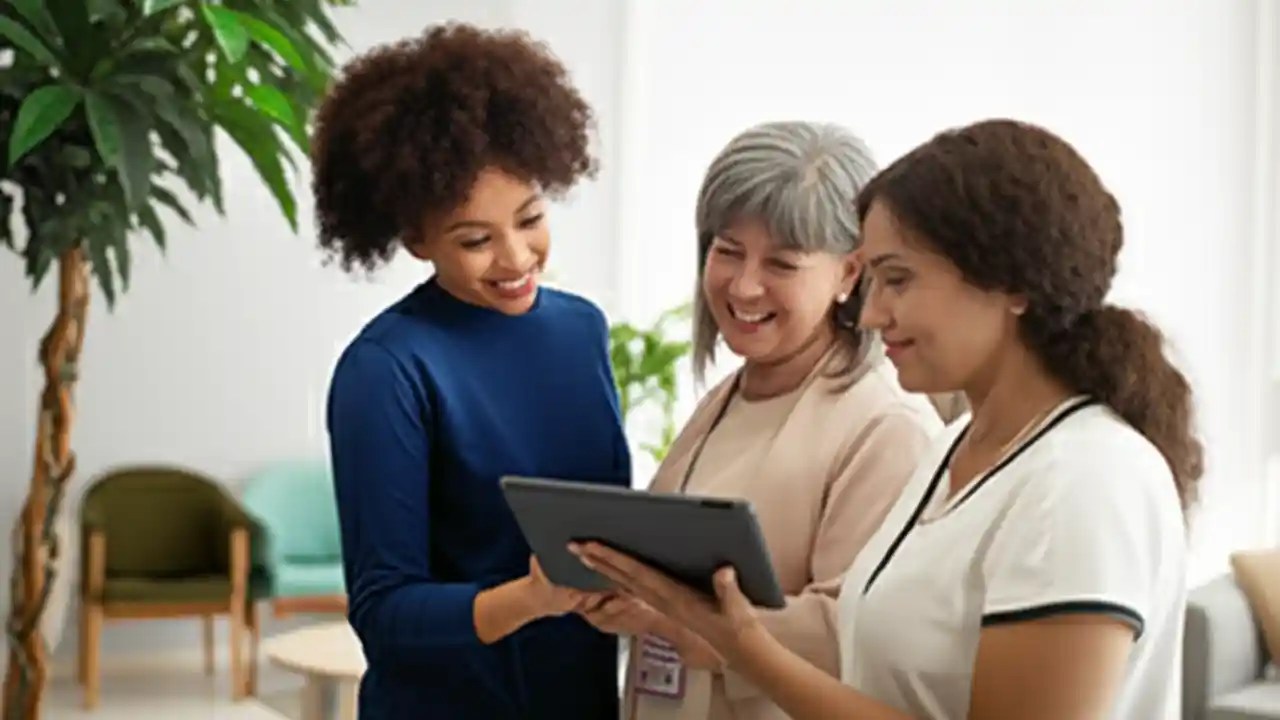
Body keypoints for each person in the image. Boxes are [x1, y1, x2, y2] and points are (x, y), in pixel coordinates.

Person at [572, 118, 1202, 719]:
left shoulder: (1084, 482)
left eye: (897, 280)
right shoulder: (955, 453)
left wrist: (737, 642)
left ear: (1012, 285)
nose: (870, 314)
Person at [313, 23, 630, 719]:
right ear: (415, 239)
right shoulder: (385, 370)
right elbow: (386, 613)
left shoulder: (581, 331)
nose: (516, 258)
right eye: (476, 240)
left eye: (531, 219)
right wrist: (530, 599)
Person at [576, 121, 942, 720]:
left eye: (782, 263)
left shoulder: (886, 425)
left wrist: (680, 617)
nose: (744, 286)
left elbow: (858, 632)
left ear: (850, 273)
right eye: (727, 251)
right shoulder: (730, 396)